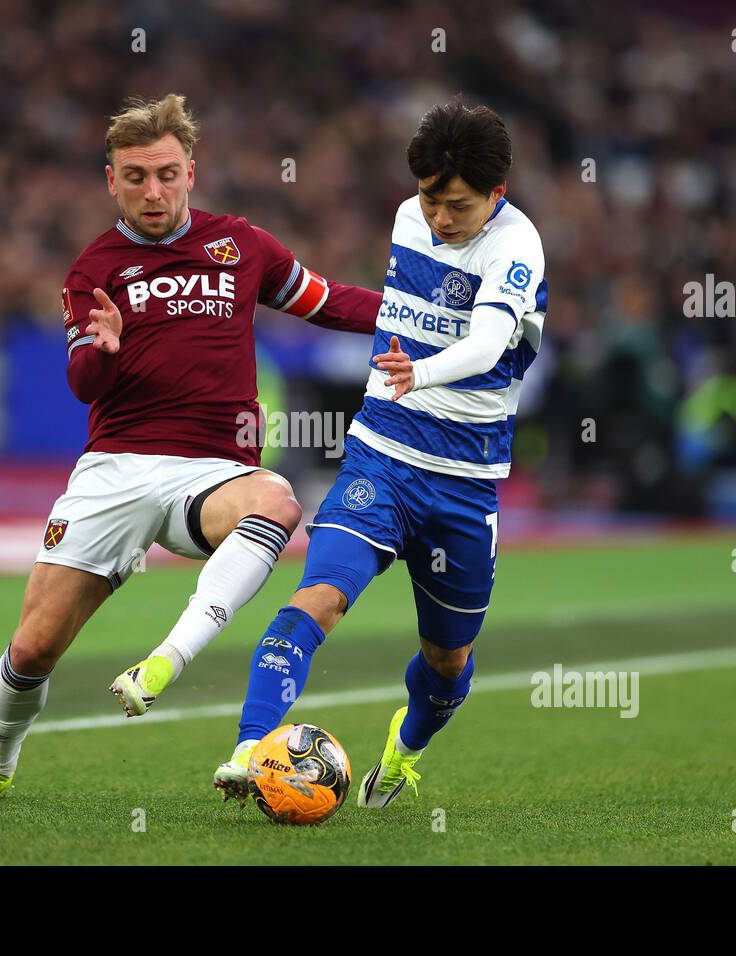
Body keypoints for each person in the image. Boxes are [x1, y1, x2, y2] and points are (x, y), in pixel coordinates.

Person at [0, 93, 380, 798]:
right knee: (35, 646)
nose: (153, 189)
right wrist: (102, 351)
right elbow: (82, 382)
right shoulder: (94, 268)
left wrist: (418, 319)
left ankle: (166, 661)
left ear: (190, 172)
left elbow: (330, 301)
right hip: (116, 469)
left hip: (214, 474)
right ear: (112, 180)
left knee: (279, 499)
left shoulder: (243, 246)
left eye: (166, 173)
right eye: (135, 175)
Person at [207, 101, 547, 807]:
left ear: (498, 195)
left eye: (456, 206)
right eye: (429, 197)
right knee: (317, 599)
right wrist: (402, 386)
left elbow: (486, 345)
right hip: (382, 455)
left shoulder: (517, 246)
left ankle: (405, 747)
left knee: (447, 664)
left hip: (464, 480)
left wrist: (418, 372)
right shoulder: (406, 216)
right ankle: (251, 749)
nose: (438, 218)